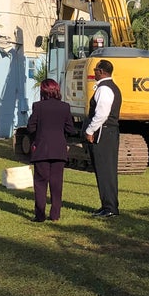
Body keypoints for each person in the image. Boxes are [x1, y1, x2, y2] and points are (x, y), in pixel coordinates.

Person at [26, 78, 73, 222]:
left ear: (43, 91)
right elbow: (70, 128)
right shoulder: (65, 107)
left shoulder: (38, 106)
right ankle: (55, 214)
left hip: (42, 149)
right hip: (59, 149)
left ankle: (40, 215)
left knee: (40, 183)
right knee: (56, 183)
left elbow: (31, 127)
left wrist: (37, 136)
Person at [82, 59, 122, 218]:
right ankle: (108, 204)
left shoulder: (104, 89)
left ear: (101, 71)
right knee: (106, 170)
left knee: (105, 170)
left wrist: (90, 130)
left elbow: (102, 114)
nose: (95, 72)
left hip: (103, 132)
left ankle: (110, 207)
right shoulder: (110, 87)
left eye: (97, 69)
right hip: (109, 132)